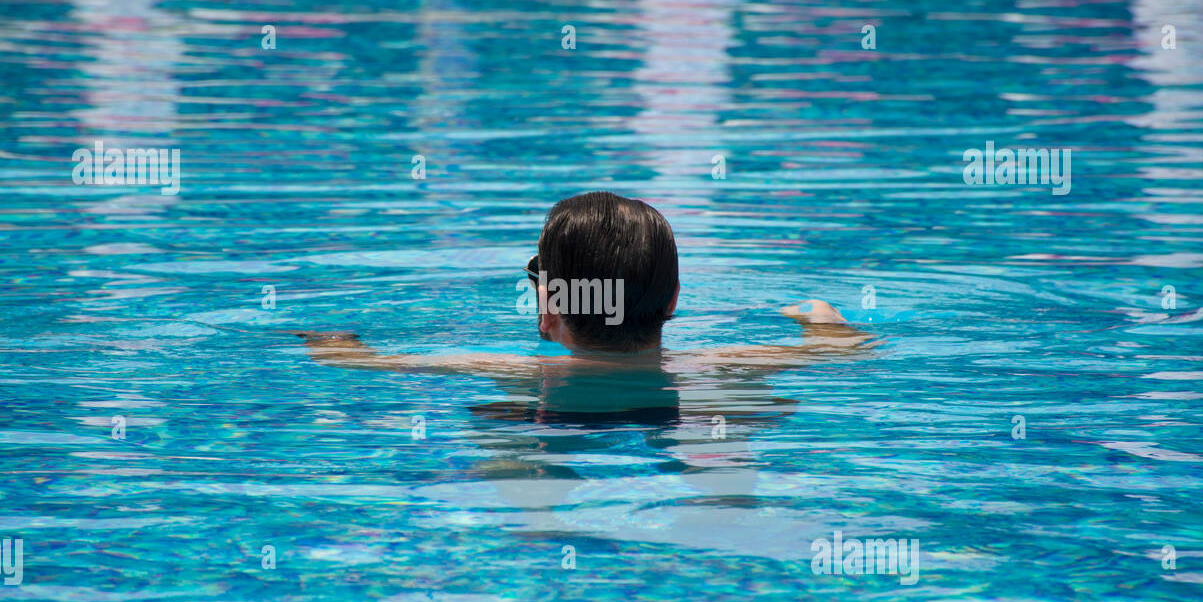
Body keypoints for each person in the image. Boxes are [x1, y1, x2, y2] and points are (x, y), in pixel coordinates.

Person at [300, 191, 872, 414]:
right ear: (673, 299)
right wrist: (823, 318)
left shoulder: (509, 368)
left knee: (498, 423)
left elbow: (363, 364)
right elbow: (846, 353)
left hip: (555, 414)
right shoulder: (726, 361)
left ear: (548, 309)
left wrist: (331, 339)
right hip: (692, 414)